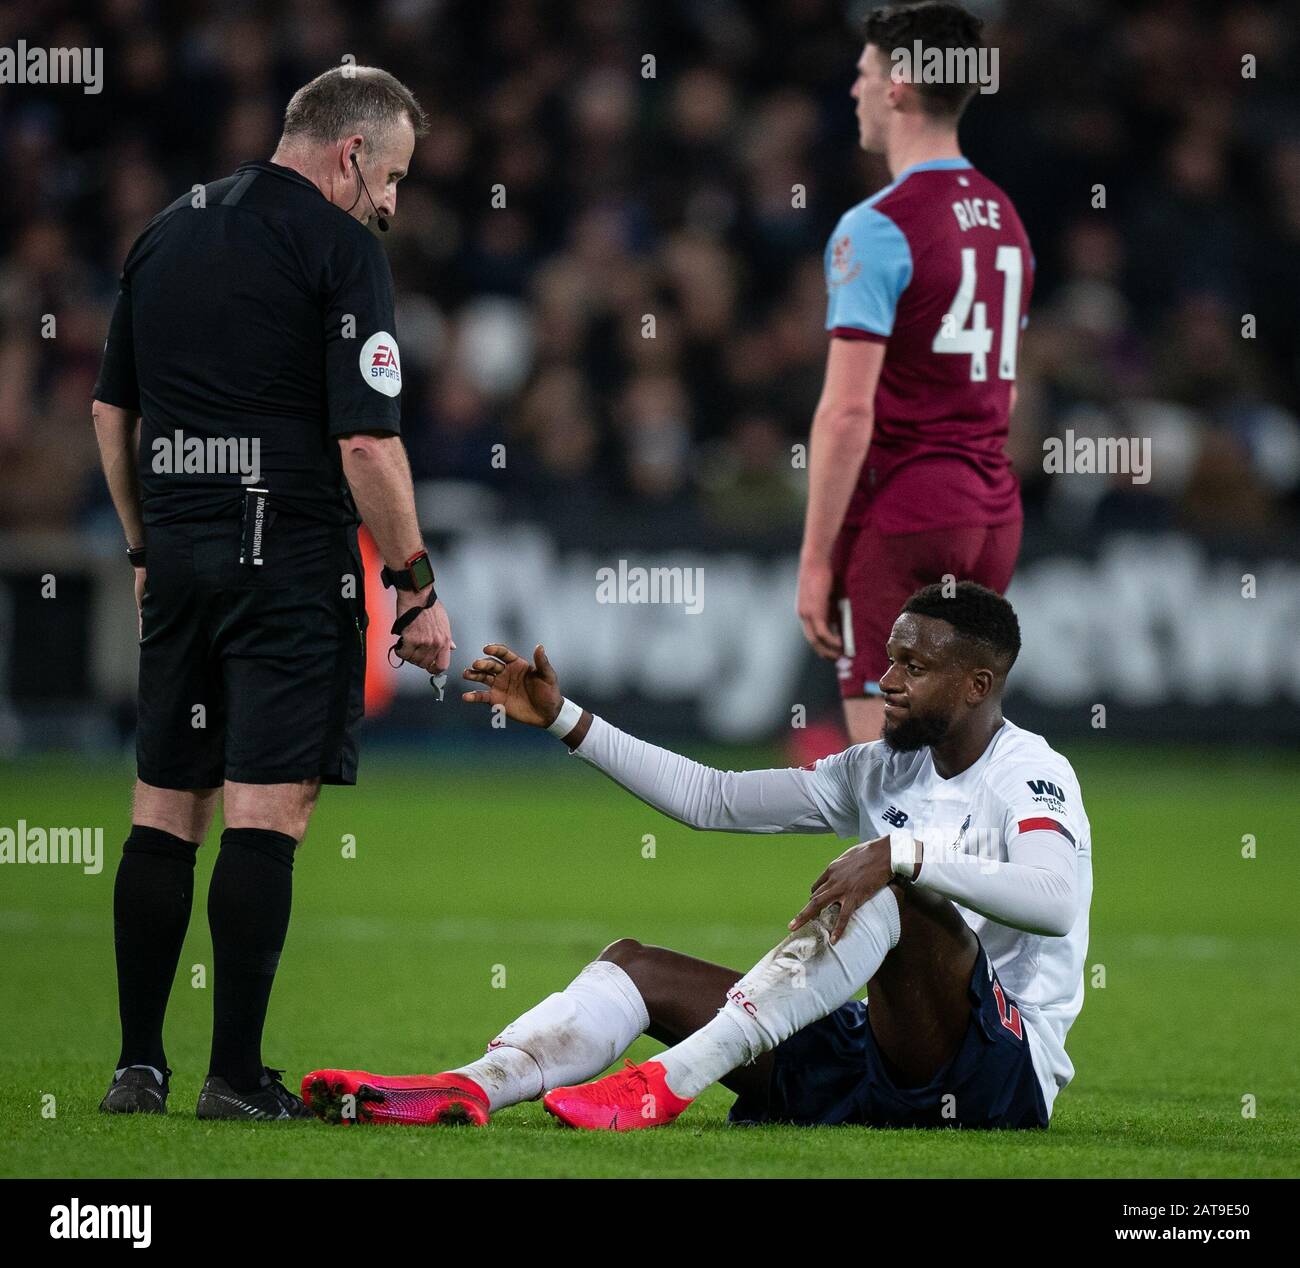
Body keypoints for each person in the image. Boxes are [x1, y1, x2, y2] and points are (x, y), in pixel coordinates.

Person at [300, 583, 1092, 1132]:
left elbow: (1055, 899)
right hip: (881, 1056)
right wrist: (563, 718)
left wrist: (903, 853)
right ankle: (473, 1085)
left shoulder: (1031, 774)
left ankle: (674, 1080)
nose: (885, 681)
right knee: (635, 966)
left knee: (888, 880)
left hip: (1000, 1073)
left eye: (913, 669)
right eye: (888, 658)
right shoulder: (883, 765)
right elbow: (711, 799)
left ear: (978, 684)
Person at [91, 65, 453, 1121]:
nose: (392, 202)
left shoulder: (165, 230)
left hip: (181, 557)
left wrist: (141, 543)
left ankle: (137, 1066)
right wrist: (416, 585)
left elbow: (113, 414)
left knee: (164, 807)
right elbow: (364, 440)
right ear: (349, 155)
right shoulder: (341, 250)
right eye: (390, 176)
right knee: (265, 810)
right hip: (285, 556)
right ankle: (237, 1077)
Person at [797, 2, 1033, 744]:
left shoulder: (878, 224)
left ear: (897, 85)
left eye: (864, 74)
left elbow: (846, 412)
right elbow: (1009, 387)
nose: (854, 90)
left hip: (905, 511)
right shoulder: (1005, 218)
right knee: (954, 774)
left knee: (885, 788)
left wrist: (813, 558)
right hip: (990, 513)